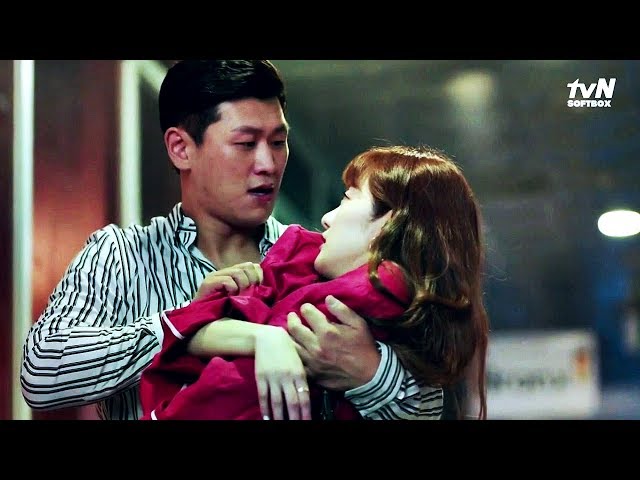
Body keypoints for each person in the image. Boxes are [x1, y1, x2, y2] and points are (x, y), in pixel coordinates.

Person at [20, 60, 447, 420]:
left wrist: (368, 372)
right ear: (181, 149)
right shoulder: (123, 255)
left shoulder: (319, 258)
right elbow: (40, 374)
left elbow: (431, 404)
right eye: (245, 144)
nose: (268, 164)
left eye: (278, 142)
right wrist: (187, 326)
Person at [139, 145, 489, 421]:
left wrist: (370, 372)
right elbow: (185, 334)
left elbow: (424, 403)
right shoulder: (297, 275)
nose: (326, 218)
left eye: (347, 199)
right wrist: (259, 333)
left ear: (389, 225)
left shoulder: (372, 323)